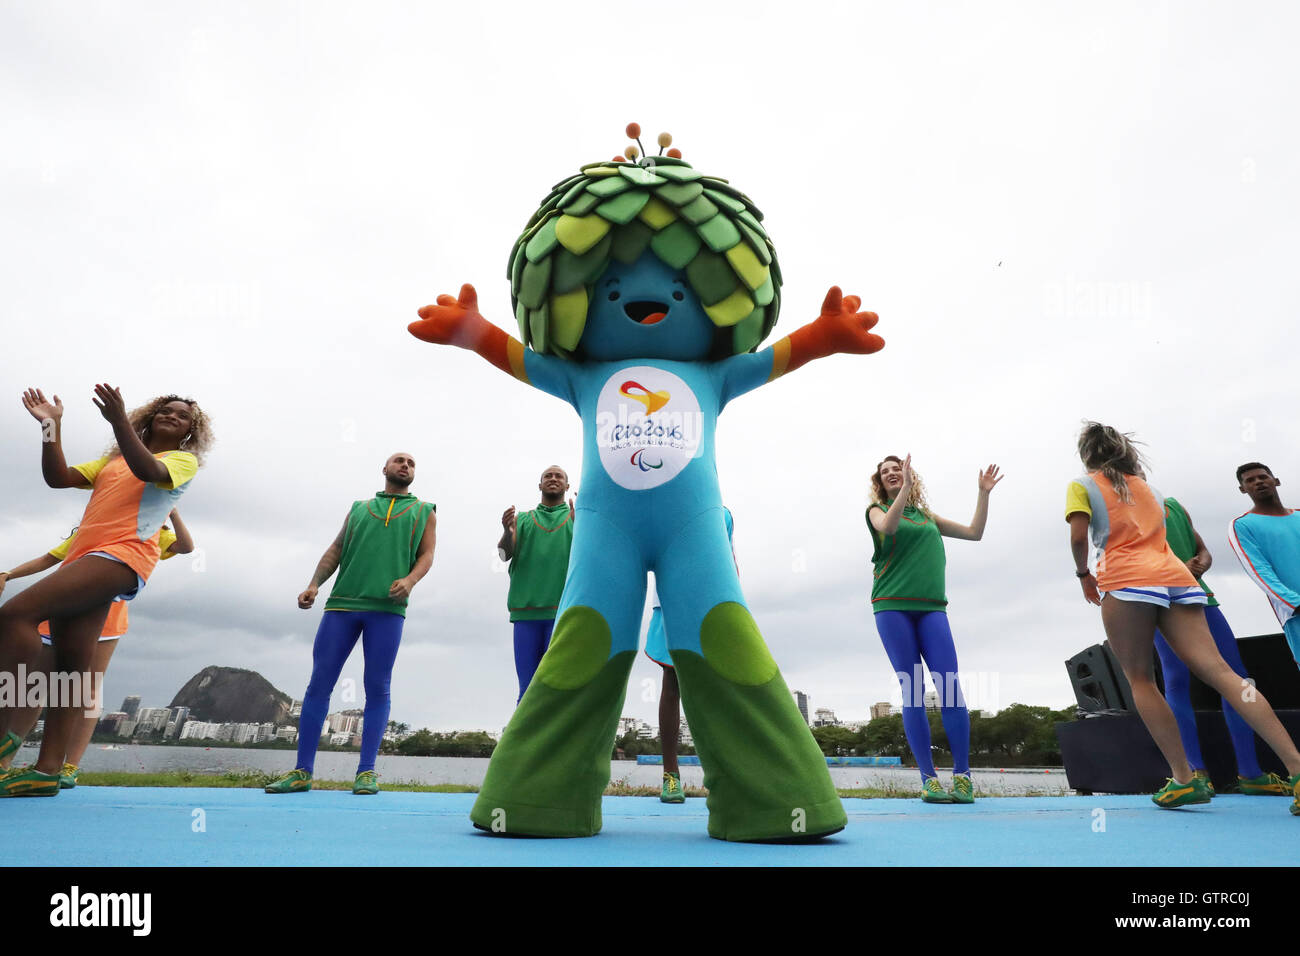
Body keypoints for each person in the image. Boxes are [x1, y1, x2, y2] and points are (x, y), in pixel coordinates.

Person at [1065, 423, 1300, 812]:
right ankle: (1296, 767)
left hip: (1126, 580)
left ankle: (1184, 778)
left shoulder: (1082, 485)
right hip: (1177, 578)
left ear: (1086, 453)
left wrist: (1083, 574)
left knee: (1141, 679)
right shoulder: (1152, 491)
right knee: (1225, 674)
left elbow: (1078, 537)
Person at [0, 386, 208, 797]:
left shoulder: (182, 461)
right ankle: (46, 771)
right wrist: (50, 427)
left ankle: (4, 727)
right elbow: (57, 478)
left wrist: (118, 423)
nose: (173, 415)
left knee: (13, 614)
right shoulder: (110, 463)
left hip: (123, 556)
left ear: (189, 432)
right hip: (84, 556)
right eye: (166, 409)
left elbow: (148, 470)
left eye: (183, 416)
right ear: (150, 416)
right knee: (71, 668)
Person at [266, 452, 435, 796]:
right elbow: (336, 549)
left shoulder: (424, 511)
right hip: (342, 605)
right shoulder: (359, 508)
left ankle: (366, 772)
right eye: (399, 460)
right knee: (319, 684)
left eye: (411, 463)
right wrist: (314, 584)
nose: (405, 465)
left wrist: (410, 580)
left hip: (387, 609)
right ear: (384, 468)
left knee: (378, 687)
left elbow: (427, 555)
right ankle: (302, 772)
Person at [0, 512, 194, 786]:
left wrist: (171, 512)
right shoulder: (92, 528)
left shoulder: (149, 530)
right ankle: (5, 759)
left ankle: (69, 766)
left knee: (88, 690)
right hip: (61, 611)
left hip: (107, 620)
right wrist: (8, 574)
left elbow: (186, 546)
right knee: (36, 687)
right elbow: (48, 559)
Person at [866, 454, 1002, 804]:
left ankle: (963, 777)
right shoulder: (877, 511)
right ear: (880, 482)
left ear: (908, 474)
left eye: (897, 469)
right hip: (892, 606)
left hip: (932, 608)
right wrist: (905, 490)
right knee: (913, 688)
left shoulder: (927, 517)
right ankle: (928, 780)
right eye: (885, 472)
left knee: (950, 687)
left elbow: (974, 533)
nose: (892, 473)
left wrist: (983, 493)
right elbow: (888, 528)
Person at [1153, 497, 1290, 795]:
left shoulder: (1174, 505)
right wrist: (1176, 569)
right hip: (1161, 599)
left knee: (1239, 678)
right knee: (1176, 679)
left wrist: (1202, 561)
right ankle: (1195, 773)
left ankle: (1250, 773)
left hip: (1200, 596)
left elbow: (1201, 548)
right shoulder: (1127, 508)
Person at [643, 507, 734, 804]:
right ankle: (671, 776)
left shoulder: (723, 515)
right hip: (671, 601)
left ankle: (724, 775)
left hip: (712, 605)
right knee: (672, 682)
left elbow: (730, 562)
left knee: (716, 687)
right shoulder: (666, 506)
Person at [497, 466, 575, 702]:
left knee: (557, 689)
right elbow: (503, 555)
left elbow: (594, 555)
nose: (553, 479)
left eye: (558, 476)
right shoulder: (522, 519)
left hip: (563, 614)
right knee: (527, 690)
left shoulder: (576, 518)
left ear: (567, 486)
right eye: (547, 476)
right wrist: (507, 531)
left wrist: (584, 526)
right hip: (526, 613)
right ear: (540, 485)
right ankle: (524, 728)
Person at [1228, 462, 1300, 667]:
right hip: (1295, 613)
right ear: (1243, 489)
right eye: (1250, 480)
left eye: (1262, 477)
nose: (1258, 482)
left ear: (1276, 481)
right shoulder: (1242, 525)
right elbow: (1258, 570)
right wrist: (1294, 602)